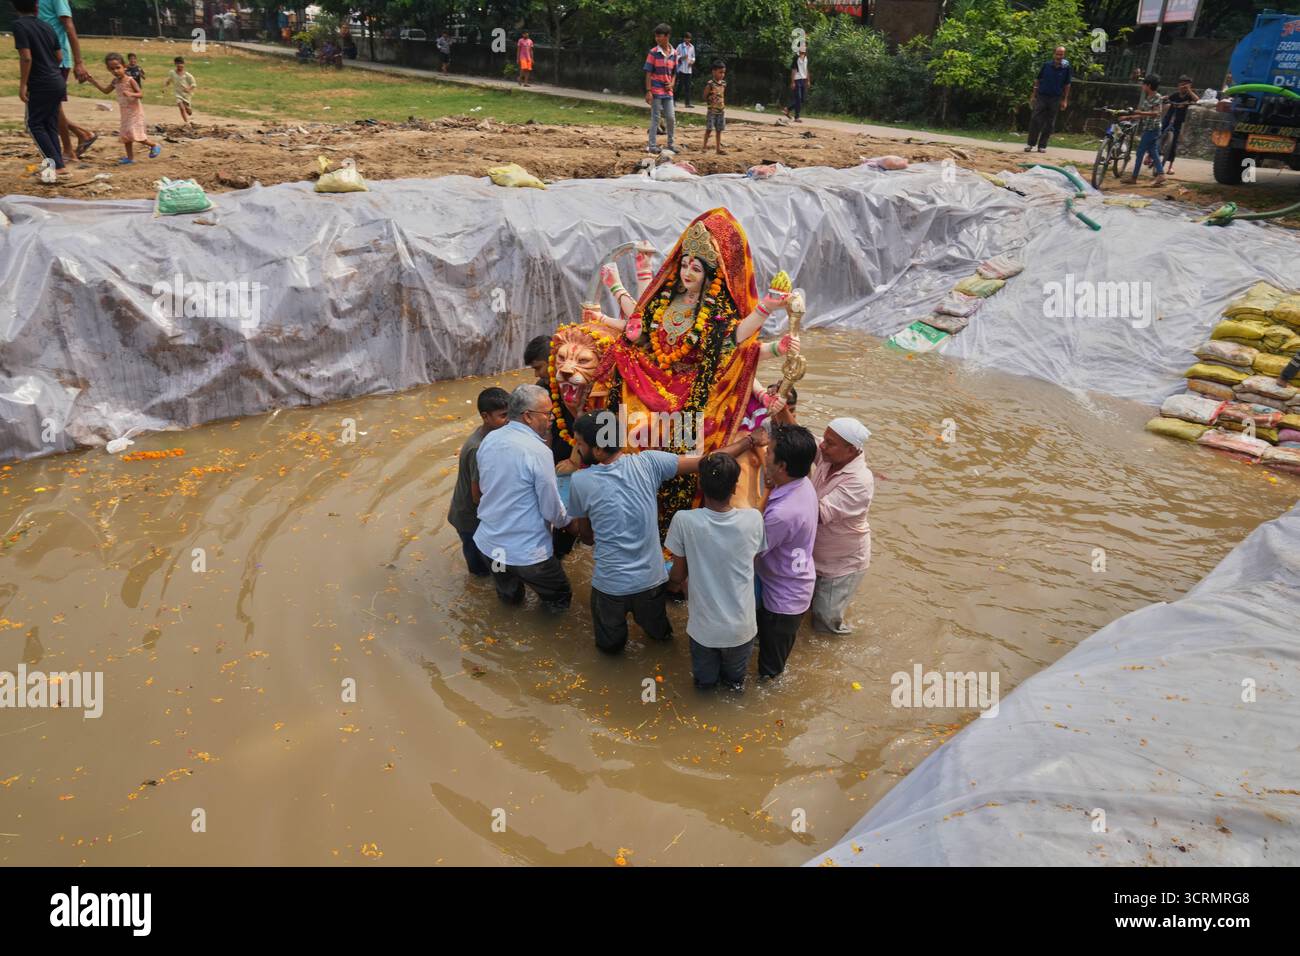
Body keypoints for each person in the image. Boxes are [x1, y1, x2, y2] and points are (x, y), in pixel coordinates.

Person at [568, 409, 766, 654]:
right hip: (650, 581)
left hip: (610, 586)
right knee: (661, 640)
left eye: (580, 443)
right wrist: (749, 441)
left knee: (609, 650)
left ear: (597, 450)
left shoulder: (580, 480)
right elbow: (706, 461)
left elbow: (586, 537)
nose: (577, 449)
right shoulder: (649, 462)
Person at [473, 384, 578, 612]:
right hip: (528, 557)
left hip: (493, 550)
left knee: (508, 593)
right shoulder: (537, 452)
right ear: (528, 417)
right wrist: (571, 524)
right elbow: (551, 509)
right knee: (559, 595)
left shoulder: (488, 440)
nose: (551, 419)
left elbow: (485, 487)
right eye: (547, 414)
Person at [666, 453, 766, 690]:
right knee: (734, 687)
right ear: (734, 487)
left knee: (705, 687)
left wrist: (675, 585)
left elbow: (678, 576)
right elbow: (751, 561)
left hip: (704, 630)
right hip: (742, 629)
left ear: (700, 484)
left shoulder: (684, 520)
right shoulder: (753, 519)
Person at [755, 423, 819, 678]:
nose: (765, 454)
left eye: (769, 452)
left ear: (782, 466)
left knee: (770, 673)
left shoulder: (783, 514)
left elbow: (753, 551)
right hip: (791, 582)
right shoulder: (803, 484)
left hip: (783, 600)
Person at [809, 417, 874, 634]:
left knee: (825, 623)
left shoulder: (860, 481)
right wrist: (779, 404)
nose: (822, 446)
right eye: (824, 439)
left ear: (851, 450)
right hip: (815, 555)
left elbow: (815, 514)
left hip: (840, 565)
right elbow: (798, 439)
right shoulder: (830, 456)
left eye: (830, 443)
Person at [447, 387, 511, 577]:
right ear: (485, 416)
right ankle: (478, 581)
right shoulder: (478, 448)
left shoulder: (489, 435)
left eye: (510, 414)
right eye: (503, 416)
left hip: (474, 513)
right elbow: (477, 497)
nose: (508, 420)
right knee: (479, 567)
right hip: (469, 517)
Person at [11, 0, 66, 175]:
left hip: (40, 83)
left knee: (35, 124)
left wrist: (23, 84)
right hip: (56, 80)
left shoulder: (19, 26)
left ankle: (55, 166)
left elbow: (26, 58)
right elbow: (59, 56)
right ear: (36, 6)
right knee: (49, 123)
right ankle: (59, 165)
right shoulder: (47, 26)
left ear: (15, 7)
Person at [39, 0, 96, 161]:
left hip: (57, 59)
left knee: (52, 107)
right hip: (42, 59)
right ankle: (82, 134)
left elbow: (69, 26)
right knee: (47, 107)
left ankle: (69, 150)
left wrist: (79, 62)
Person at [87, 53, 160, 165]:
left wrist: (131, 94)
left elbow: (140, 94)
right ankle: (130, 158)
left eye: (118, 67)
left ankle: (154, 145)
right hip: (125, 112)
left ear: (124, 66)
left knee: (134, 133)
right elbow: (106, 91)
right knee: (126, 136)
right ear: (108, 69)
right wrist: (93, 82)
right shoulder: (115, 82)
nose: (115, 71)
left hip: (135, 111)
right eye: (112, 69)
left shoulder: (130, 80)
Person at [1121, 74, 1166, 187]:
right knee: (1153, 152)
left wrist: (1140, 113)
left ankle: (1134, 177)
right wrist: (1129, 117)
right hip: (1150, 129)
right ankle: (1161, 175)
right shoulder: (1149, 98)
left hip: (1152, 129)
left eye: (1144, 84)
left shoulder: (1157, 97)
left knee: (1140, 152)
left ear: (1149, 85)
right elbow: (1143, 116)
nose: (1142, 86)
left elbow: (1156, 113)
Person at [1025, 45, 1071, 153]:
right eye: (1057, 54)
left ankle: (1042, 146)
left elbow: (1067, 84)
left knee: (1049, 123)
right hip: (1042, 96)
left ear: (1064, 55)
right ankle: (1030, 144)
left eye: (1061, 54)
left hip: (1055, 98)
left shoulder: (1066, 68)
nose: (1059, 56)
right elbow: (1038, 80)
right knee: (1035, 119)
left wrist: (1065, 100)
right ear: (1054, 54)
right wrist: (1033, 95)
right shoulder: (1046, 65)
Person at [644, 24, 678, 154]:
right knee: (656, 118)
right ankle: (652, 145)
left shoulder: (674, 53)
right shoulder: (653, 53)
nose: (657, 38)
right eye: (656, 36)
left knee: (670, 117)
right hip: (656, 89)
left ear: (667, 36)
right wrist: (648, 91)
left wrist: (672, 83)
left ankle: (670, 144)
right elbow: (648, 72)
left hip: (668, 91)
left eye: (660, 36)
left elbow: (675, 72)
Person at [1156, 74, 1196, 174]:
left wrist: (1190, 91)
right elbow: (1166, 98)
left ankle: (1170, 166)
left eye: (1186, 86)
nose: (1183, 87)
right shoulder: (1175, 95)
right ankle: (1150, 156)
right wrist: (1163, 98)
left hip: (1178, 121)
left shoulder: (1189, 96)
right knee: (1159, 135)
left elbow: (1197, 100)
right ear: (1178, 86)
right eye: (1181, 85)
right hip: (1168, 118)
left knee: (1173, 143)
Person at [701, 58, 727, 154]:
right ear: (713, 72)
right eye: (720, 72)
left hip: (721, 110)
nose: (722, 75)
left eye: (723, 73)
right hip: (712, 110)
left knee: (719, 130)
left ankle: (718, 148)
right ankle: (704, 146)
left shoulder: (724, 84)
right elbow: (704, 96)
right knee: (709, 129)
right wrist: (710, 97)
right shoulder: (710, 84)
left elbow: (722, 95)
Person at [163, 56, 197, 125]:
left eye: (181, 63)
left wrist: (188, 89)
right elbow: (169, 80)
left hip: (186, 95)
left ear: (184, 64)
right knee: (181, 108)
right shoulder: (172, 73)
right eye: (178, 63)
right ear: (175, 64)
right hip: (178, 94)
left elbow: (193, 84)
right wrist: (164, 87)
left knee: (189, 112)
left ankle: (188, 108)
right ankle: (186, 122)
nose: (179, 65)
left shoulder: (187, 75)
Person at [785, 44, 811, 122]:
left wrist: (808, 80)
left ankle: (787, 109)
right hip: (797, 80)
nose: (804, 48)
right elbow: (793, 70)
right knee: (798, 99)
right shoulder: (796, 58)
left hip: (803, 80)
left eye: (805, 47)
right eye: (802, 47)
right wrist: (792, 82)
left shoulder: (806, 57)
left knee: (802, 99)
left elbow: (806, 69)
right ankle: (797, 117)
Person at [675, 32, 695, 109]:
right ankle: (674, 100)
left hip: (689, 69)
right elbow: (675, 55)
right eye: (686, 38)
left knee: (688, 87)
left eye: (689, 38)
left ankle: (687, 103)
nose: (687, 40)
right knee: (680, 86)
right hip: (682, 69)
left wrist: (692, 61)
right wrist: (682, 57)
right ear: (684, 38)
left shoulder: (692, 47)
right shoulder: (680, 46)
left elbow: (693, 56)